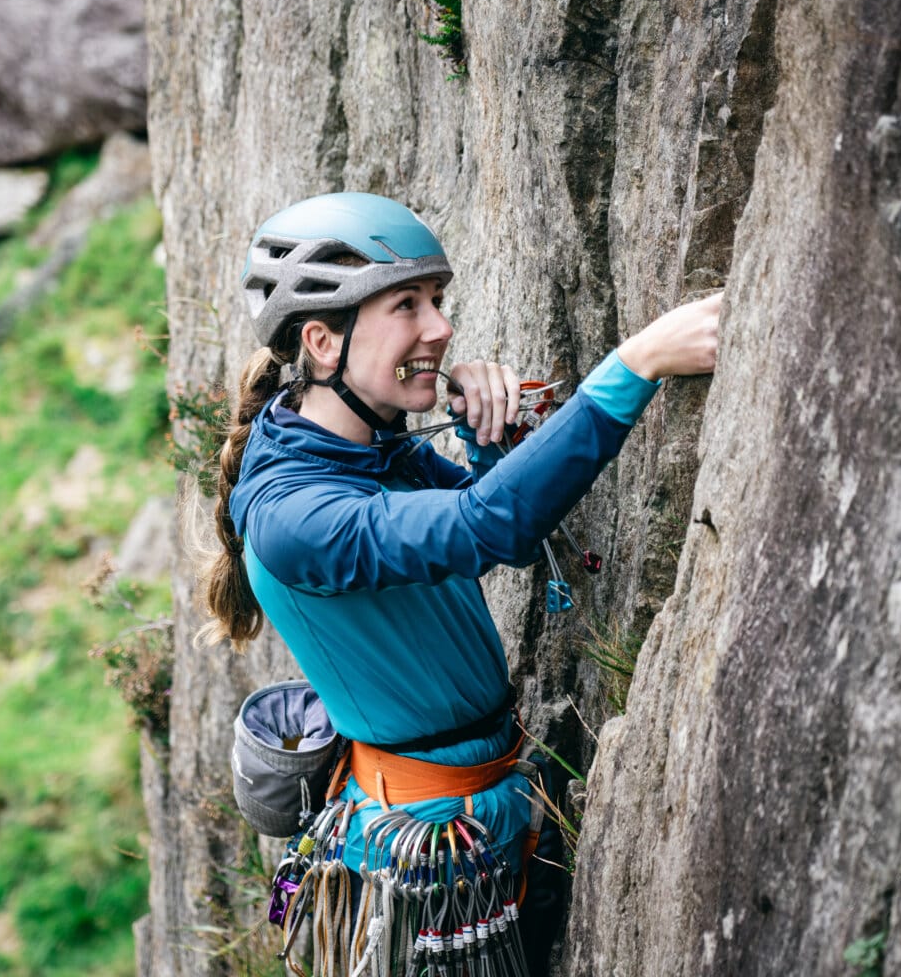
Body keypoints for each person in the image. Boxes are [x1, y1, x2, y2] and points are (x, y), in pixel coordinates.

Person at [198, 192, 719, 974]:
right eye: (406, 305)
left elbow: (476, 545)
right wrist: (633, 366)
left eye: (437, 300)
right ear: (322, 340)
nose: (440, 328)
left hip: (478, 816)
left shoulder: (373, 448)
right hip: (432, 843)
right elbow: (486, 526)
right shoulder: (293, 513)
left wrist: (484, 445)